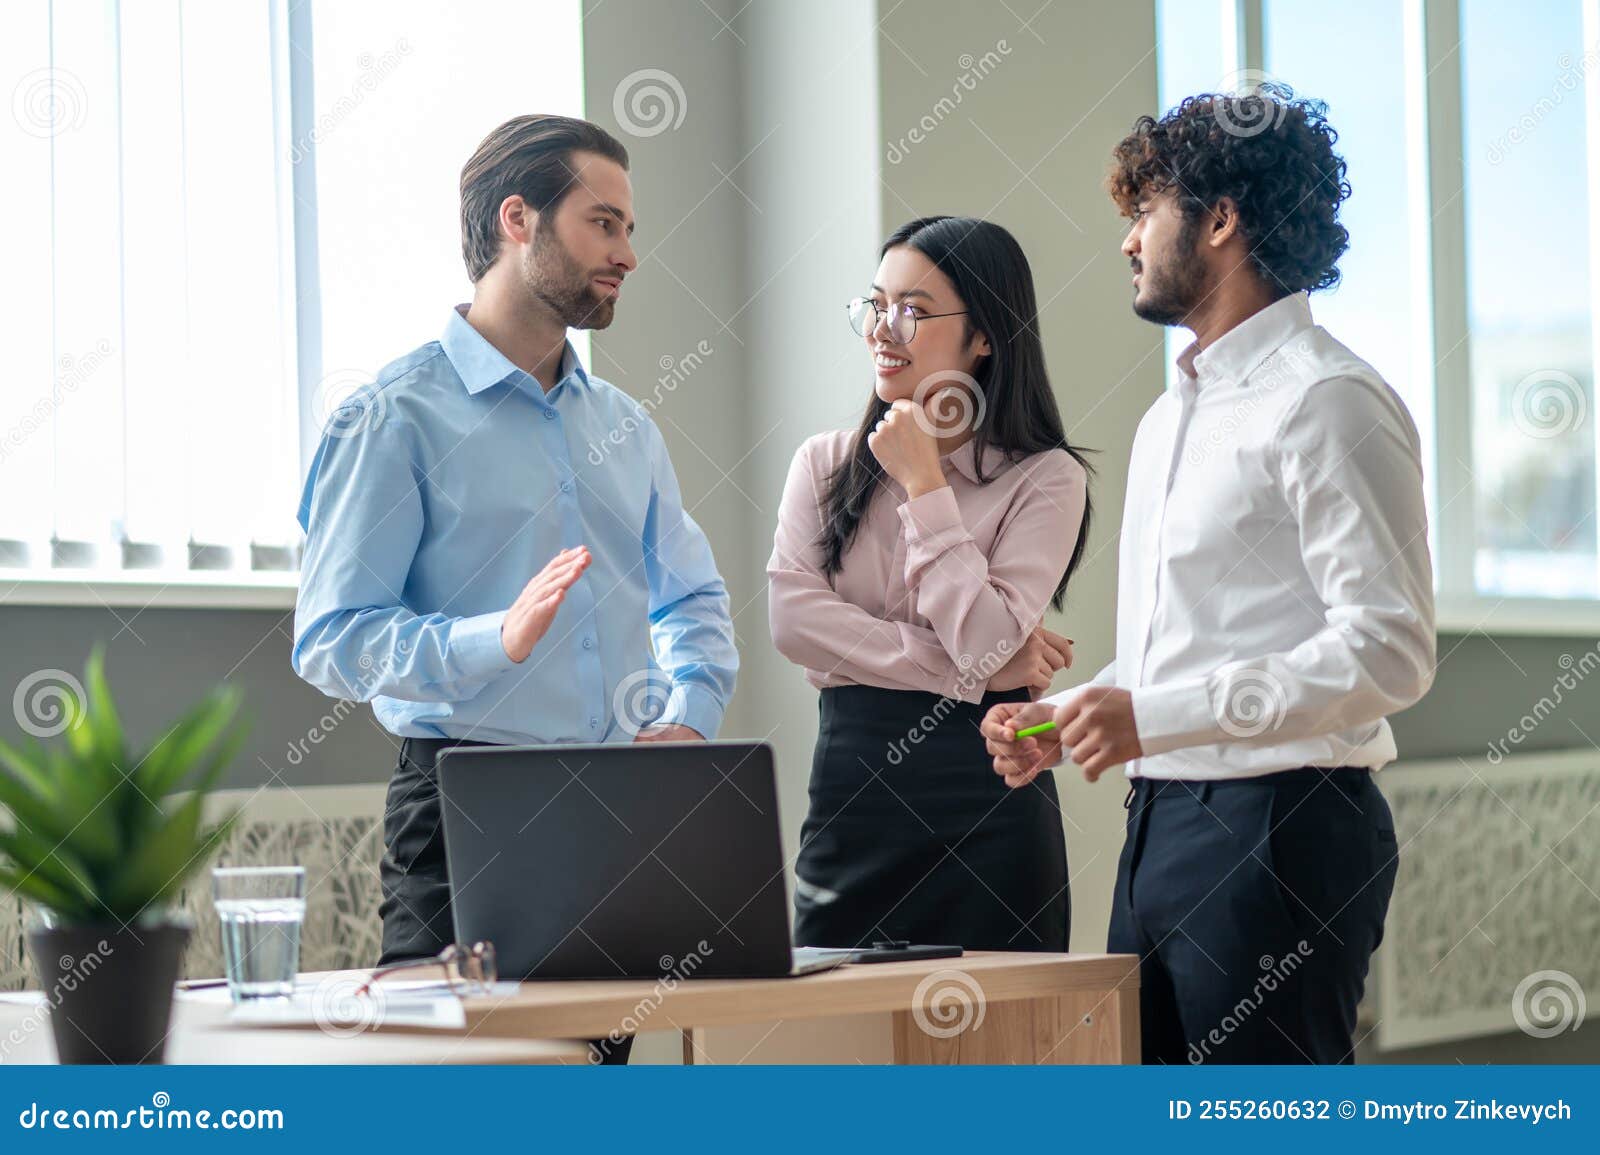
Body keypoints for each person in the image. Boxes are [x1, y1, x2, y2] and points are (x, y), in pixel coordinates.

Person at [983, 87, 1434, 1064]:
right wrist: (1079, 713)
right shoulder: (1166, 419)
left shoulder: (1330, 402)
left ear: (1220, 220)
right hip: (1161, 827)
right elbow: (1189, 648)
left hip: (1283, 831)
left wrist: (1155, 718)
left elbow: (1389, 648)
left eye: (1144, 211)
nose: (1126, 241)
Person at [291, 115, 738, 1017]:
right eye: (602, 223)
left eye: (629, 229)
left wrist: (688, 716)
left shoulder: (626, 426)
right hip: (460, 809)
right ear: (518, 220)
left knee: (595, 1085)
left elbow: (692, 595)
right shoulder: (392, 416)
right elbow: (331, 638)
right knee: (463, 1099)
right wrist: (492, 638)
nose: (627, 254)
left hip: (613, 808)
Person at [769, 216, 1092, 953]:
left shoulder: (1046, 477)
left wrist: (923, 484)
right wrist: (978, 668)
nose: (883, 329)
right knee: (838, 1052)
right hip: (853, 798)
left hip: (990, 804)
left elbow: (985, 643)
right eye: (875, 306)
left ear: (984, 336)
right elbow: (792, 623)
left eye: (911, 311)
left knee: (1000, 1057)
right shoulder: (822, 464)